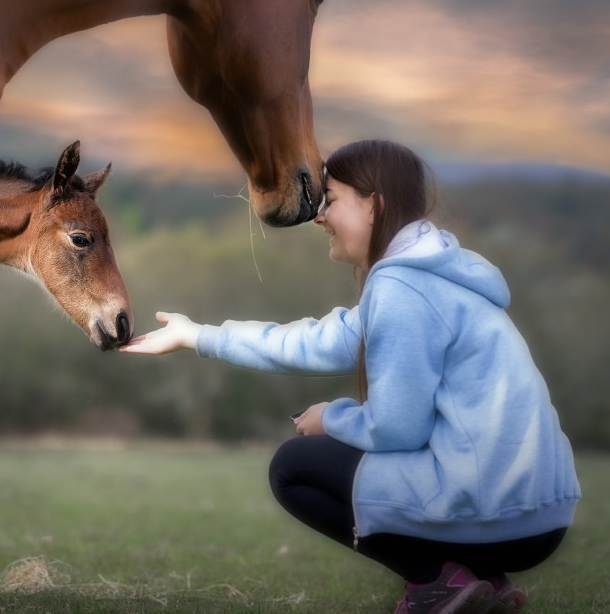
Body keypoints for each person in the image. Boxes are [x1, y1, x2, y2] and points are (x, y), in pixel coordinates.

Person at [119, 139, 581, 614]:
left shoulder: (402, 288)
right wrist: (198, 336)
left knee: (293, 468)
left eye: (331, 199)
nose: (318, 217)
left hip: (498, 511)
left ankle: (435, 581)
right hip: (539, 514)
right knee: (322, 463)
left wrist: (330, 418)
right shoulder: (430, 275)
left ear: (374, 206)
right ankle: (480, 581)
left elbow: (398, 429)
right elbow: (313, 342)